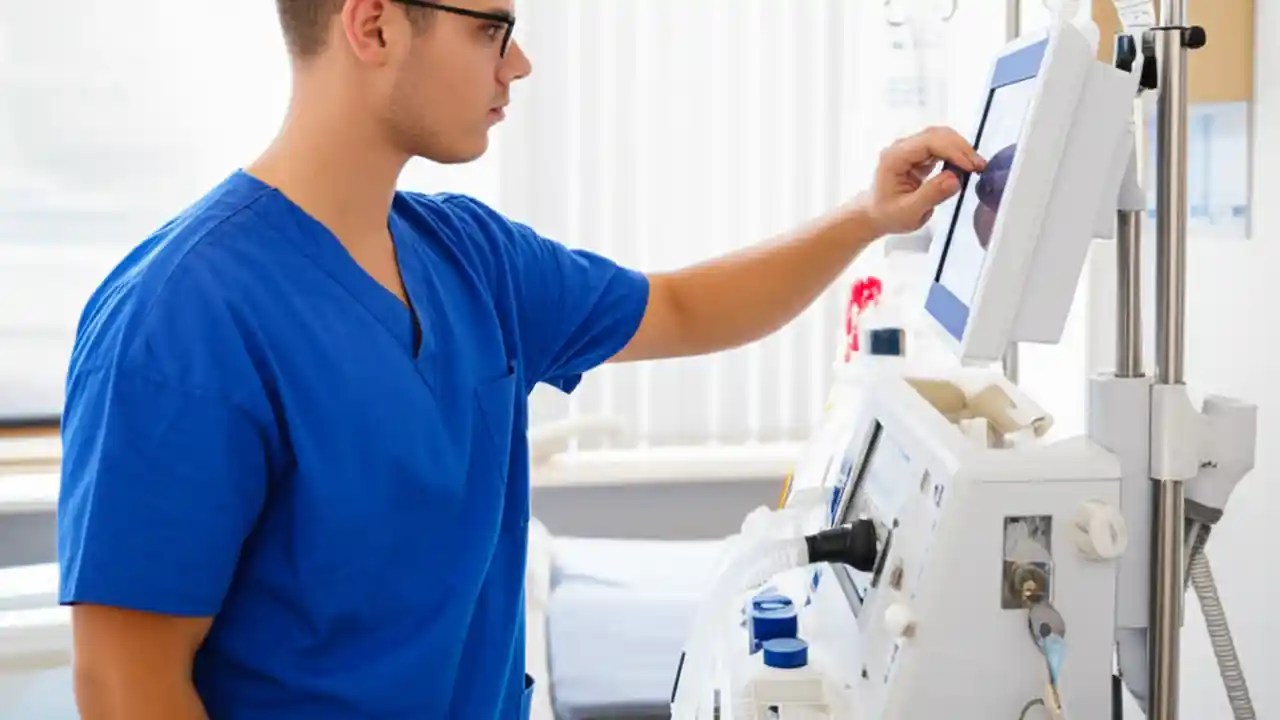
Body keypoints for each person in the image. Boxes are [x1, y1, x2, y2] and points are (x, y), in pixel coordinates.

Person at [56, 1, 985, 718]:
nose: (520, 63)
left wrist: (865, 218)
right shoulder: (178, 322)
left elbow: (682, 306)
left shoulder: (472, 259)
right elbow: (126, 685)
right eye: (491, 30)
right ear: (374, 26)